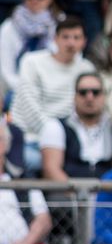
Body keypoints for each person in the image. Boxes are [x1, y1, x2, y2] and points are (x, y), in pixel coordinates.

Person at [10, 16, 94, 174]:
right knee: (33, 161)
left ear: (84, 42)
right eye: (66, 37)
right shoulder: (32, 62)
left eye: (76, 38)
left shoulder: (87, 69)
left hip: (68, 143)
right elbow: (29, 107)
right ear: (55, 39)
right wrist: (53, 137)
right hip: (30, 139)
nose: (71, 43)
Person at [39, 71, 112, 180]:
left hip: (107, 195)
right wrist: (77, 195)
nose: (89, 97)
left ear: (104, 96)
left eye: (95, 92)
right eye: (83, 92)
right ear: (74, 96)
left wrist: (103, 196)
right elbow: (51, 170)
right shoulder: (55, 126)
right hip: (66, 193)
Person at [0, 0, 60, 96]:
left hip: (53, 90)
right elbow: (6, 70)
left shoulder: (61, 25)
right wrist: (27, 92)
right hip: (16, 91)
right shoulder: (9, 27)